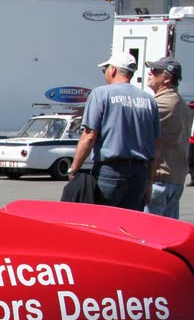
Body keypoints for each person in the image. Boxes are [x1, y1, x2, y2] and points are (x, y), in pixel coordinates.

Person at [66, 51, 158, 210]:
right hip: (139, 173)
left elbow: (89, 136)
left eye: (105, 70)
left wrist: (74, 168)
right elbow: (156, 145)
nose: (105, 73)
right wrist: (149, 182)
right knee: (129, 226)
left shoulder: (101, 94)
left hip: (110, 171)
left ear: (113, 70)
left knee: (104, 222)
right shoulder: (149, 100)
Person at [144, 57, 191, 219]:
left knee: (149, 235)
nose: (150, 73)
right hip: (175, 177)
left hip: (160, 177)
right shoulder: (182, 103)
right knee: (166, 235)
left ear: (167, 78)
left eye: (155, 71)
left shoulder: (161, 103)